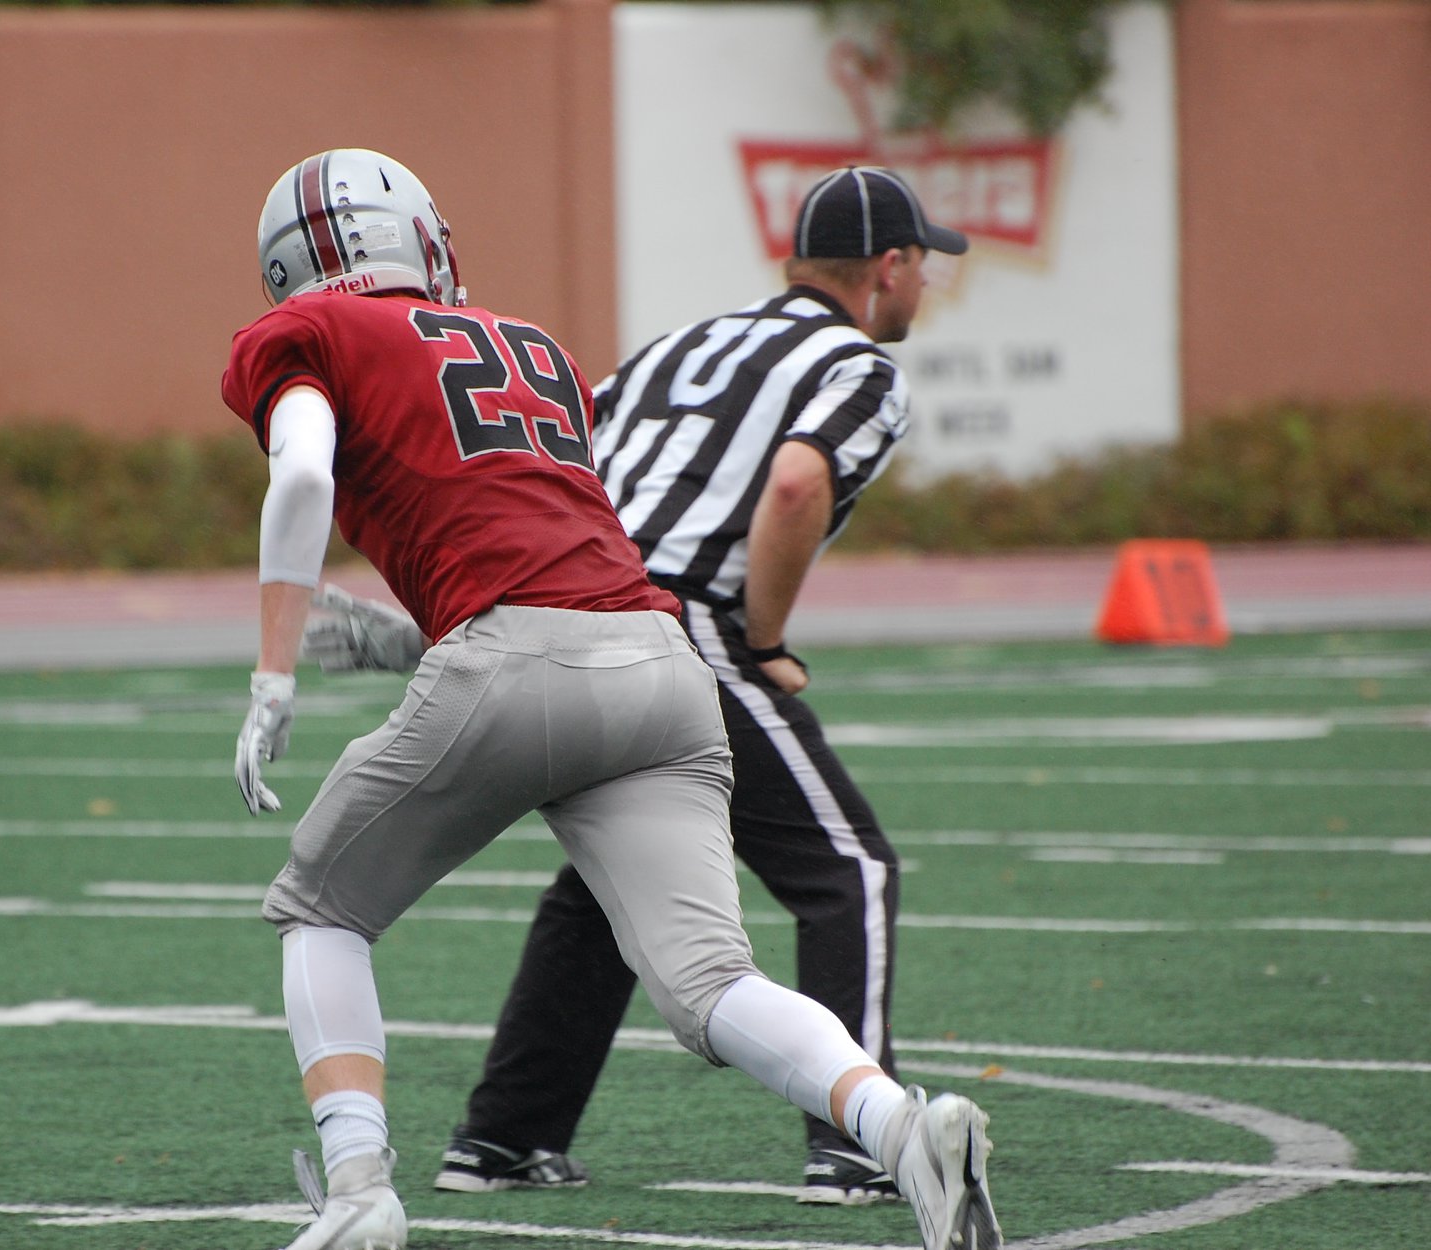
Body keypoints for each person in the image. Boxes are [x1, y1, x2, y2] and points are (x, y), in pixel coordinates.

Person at [221, 148, 1000, 1250]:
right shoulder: (527, 344)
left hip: (516, 661)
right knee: (711, 982)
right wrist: (420, 634)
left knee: (323, 910)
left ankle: (357, 1192)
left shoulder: (308, 332)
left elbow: (304, 475)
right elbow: (547, 538)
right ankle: (898, 1127)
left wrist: (274, 669)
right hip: (661, 667)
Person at [427, 165, 967, 1208]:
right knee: (847, 869)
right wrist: (762, 638)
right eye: (921, 268)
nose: (922, 287)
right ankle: (856, 1143)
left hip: (558, 617)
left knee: (610, 884)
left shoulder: (677, 345)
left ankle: (502, 1137)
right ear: (889, 267)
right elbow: (797, 481)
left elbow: (547, 461)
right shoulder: (858, 366)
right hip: (672, 625)